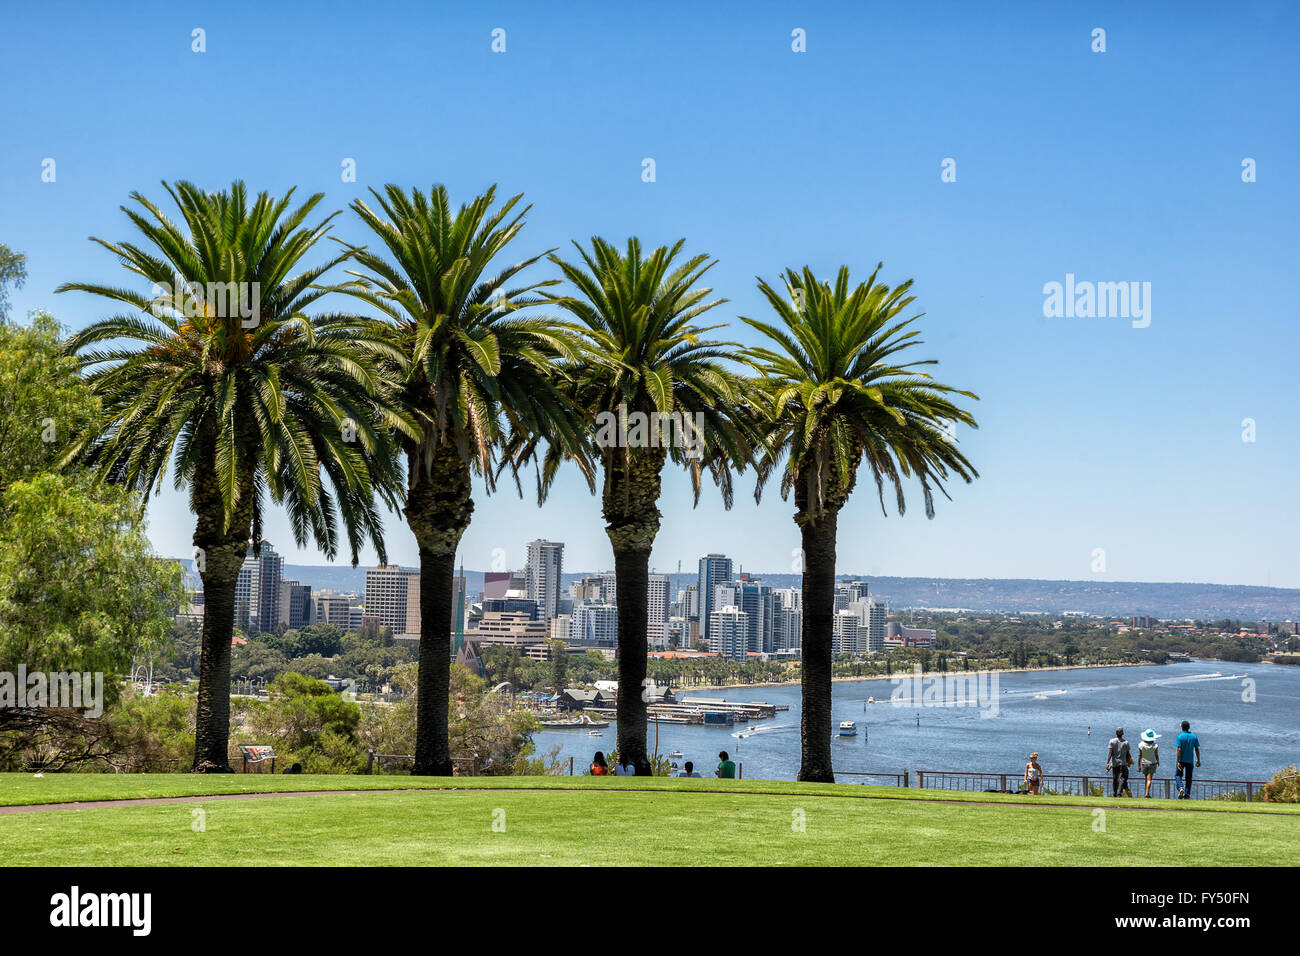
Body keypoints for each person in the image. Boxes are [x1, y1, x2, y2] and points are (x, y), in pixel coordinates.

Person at [1174, 721, 1201, 799]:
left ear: (1182, 727)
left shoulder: (1180, 737)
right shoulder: (1194, 737)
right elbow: (1197, 749)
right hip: (1190, 761)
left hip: (1182, 760)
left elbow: (1179, 749)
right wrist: (1198, 760)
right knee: (1189, 778)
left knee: (1178, 775)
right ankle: (1187, 794)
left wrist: (1178, 761)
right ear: (1188, 727)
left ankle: (1180, 788)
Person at [1106, 727, 1133, 797]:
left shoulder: (1112, 741)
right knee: (1121, 779)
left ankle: (1115, 793)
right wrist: (1130, 762)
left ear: (1116, 733)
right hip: (1123, 763)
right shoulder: (1126, 742)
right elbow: (1128, 754)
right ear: (1122, 733)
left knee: (1115, 779)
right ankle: (1119, 794)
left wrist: (1107, 763)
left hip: (1115, 763)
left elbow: (1110, 753)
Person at [1137, 729, 1161, 797]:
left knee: (1146, 779)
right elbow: (1156, 755)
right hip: (1152, 763)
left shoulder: (1141, 745)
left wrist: (1138, 765)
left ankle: (1146, 793)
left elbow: (1140, 755)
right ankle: (1147, 794)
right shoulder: (1155, 745)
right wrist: (1158, 761)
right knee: (1149, 779)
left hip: (1144, 763)